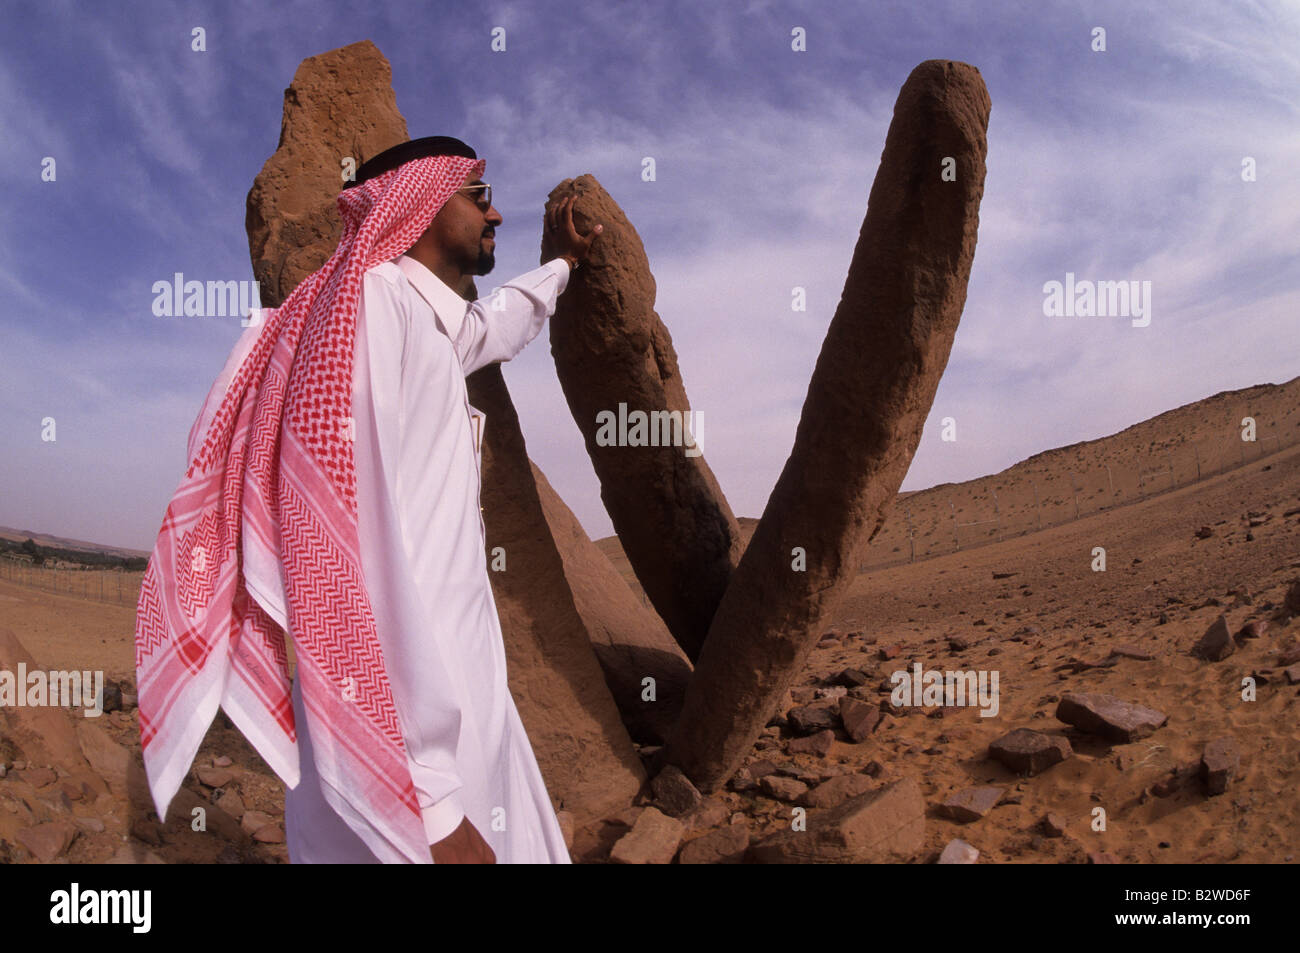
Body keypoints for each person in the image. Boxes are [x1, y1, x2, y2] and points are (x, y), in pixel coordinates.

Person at [134, 136, 600, 865]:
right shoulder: (374, 315)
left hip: (453, 710)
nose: (496, 211)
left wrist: (564, 264)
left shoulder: (424, 324)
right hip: (400, 751)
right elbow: (346, 559)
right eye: (478, 195)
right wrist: (429, 802)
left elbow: (498, 325)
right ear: (416, 201)